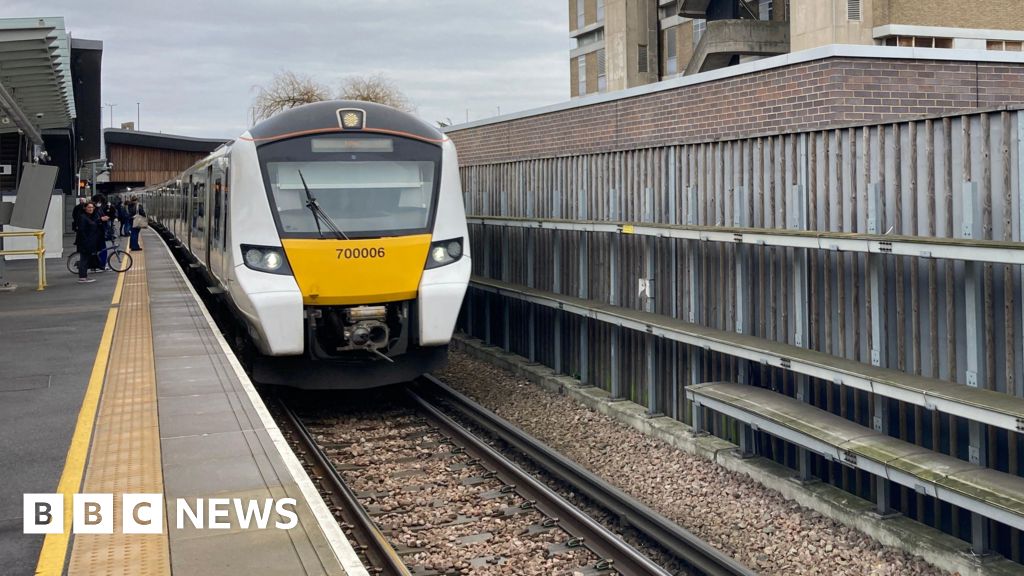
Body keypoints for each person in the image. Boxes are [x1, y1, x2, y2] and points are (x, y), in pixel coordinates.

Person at [74, 202, 107, 283]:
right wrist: (85, 241)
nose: (91, 209)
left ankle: (83, 276)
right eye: (89, 207)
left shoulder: (88, 217)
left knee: (85, 259)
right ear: (85, 208)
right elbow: (82, 230)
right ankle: (82, 277)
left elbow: (92, 223)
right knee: (84, 259)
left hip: (89, 242)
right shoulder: (83, 217)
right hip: (85, 242)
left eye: (92, 207)